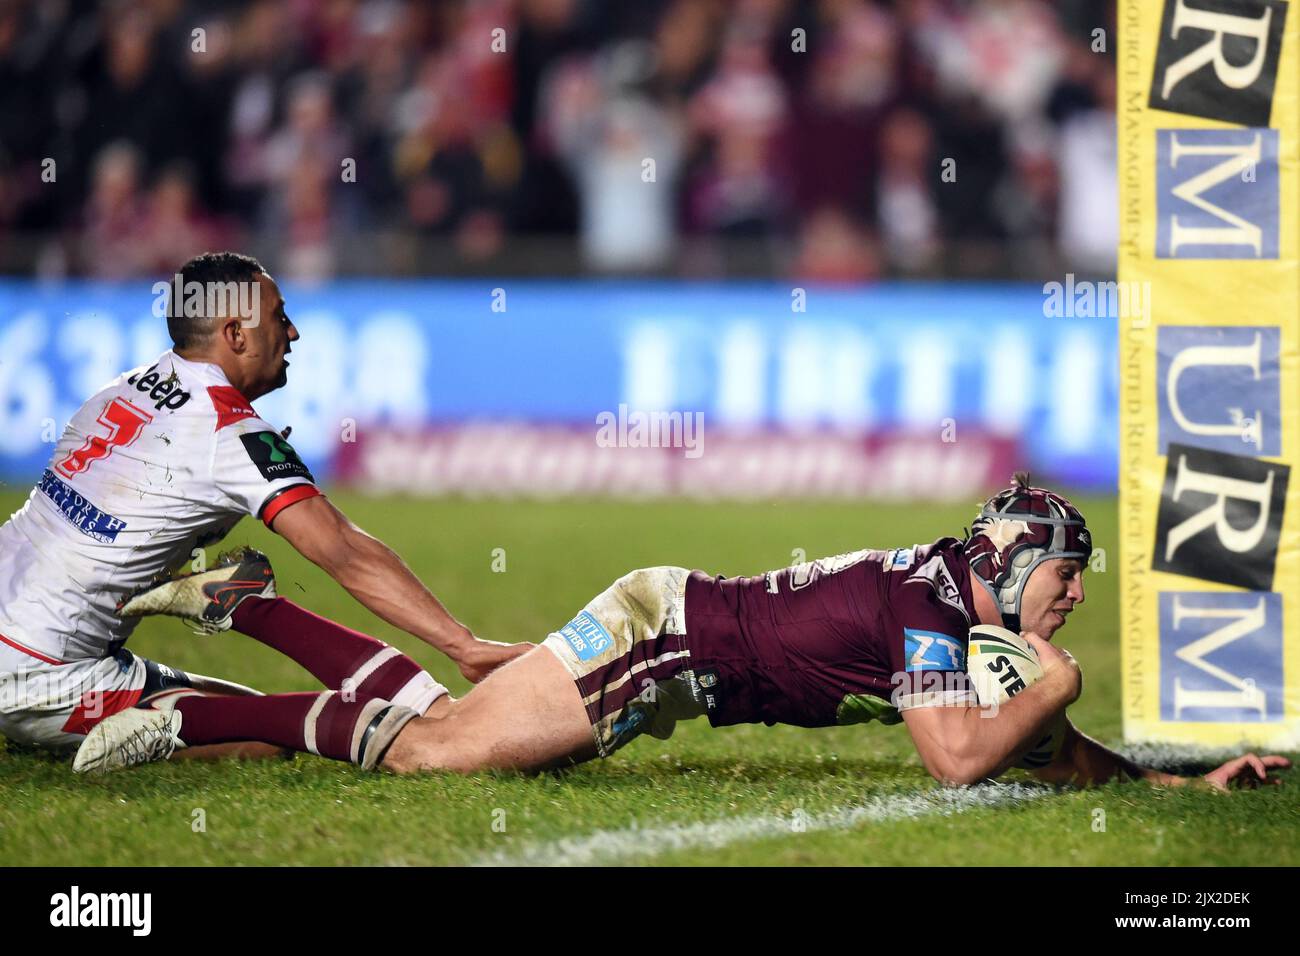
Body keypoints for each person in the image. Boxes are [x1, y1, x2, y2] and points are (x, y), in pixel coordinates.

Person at [76, 474, 1288, 790]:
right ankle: (193, 702)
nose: (1071, 599)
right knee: (432, 749)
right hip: (663, 639)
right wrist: (1057, 681)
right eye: (1064, 579)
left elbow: (1034, 747)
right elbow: (965, 757)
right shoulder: (931, 613)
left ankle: (247, 605)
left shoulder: (956, 613)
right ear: (1015, 562)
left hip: (673, 637)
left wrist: (1170, 786)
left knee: (447, 719)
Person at [0, 251, 527, 765]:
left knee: (245, 710)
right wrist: (462, 644)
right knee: (275, 736)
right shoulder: (229, 432)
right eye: (279, 317)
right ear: (235, 334)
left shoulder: (121, 389)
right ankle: (168, 718)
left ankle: (215, 635)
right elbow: (342, 550)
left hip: (22, 630)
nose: (292, 332)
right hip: (43, 674)